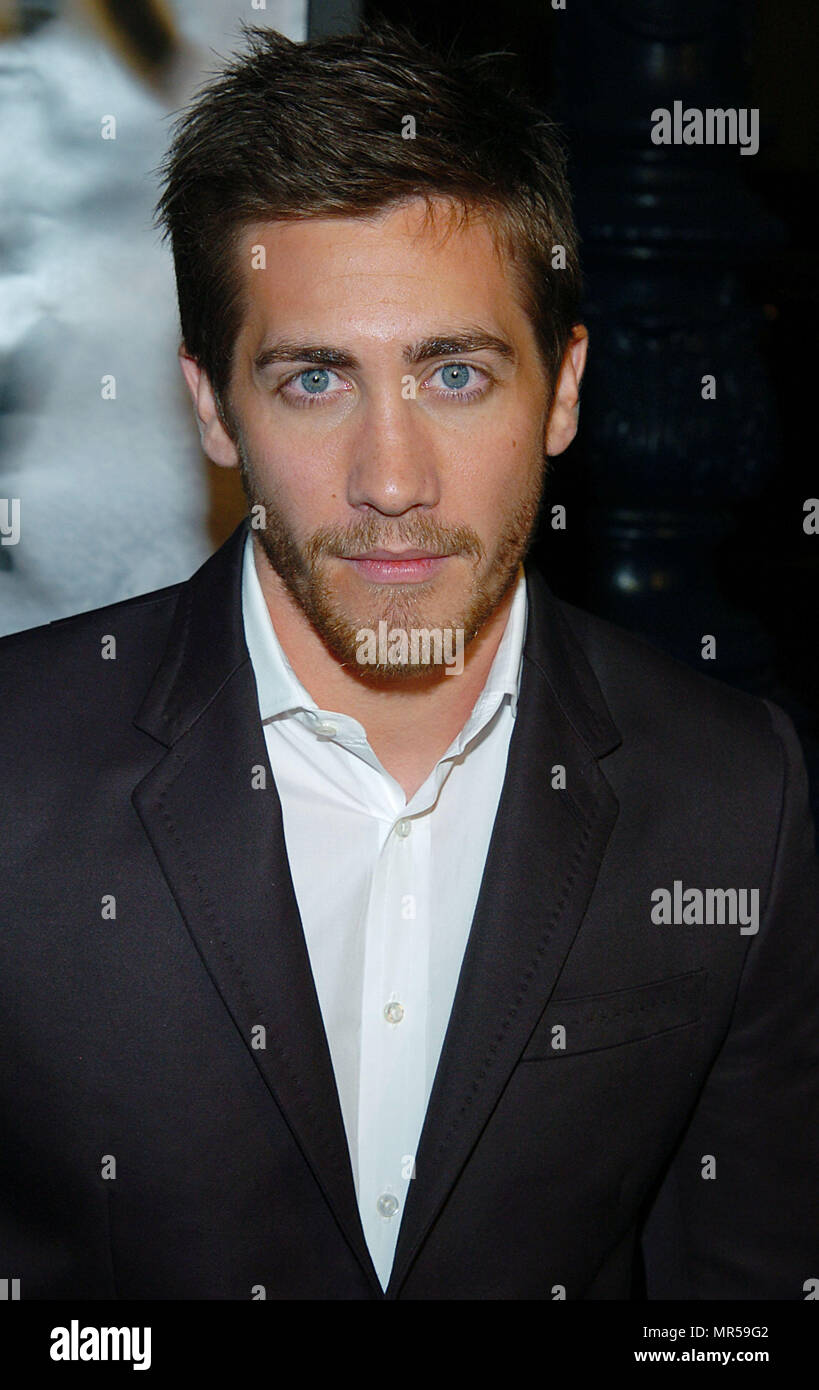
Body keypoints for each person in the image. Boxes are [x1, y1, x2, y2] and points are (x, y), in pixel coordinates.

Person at [1, 21, 817, 1301]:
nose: (393, 482)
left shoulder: (733, 796)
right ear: (214, 406)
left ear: (563, 389)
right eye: (317, 380)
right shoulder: (16, 769)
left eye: (454, 372)